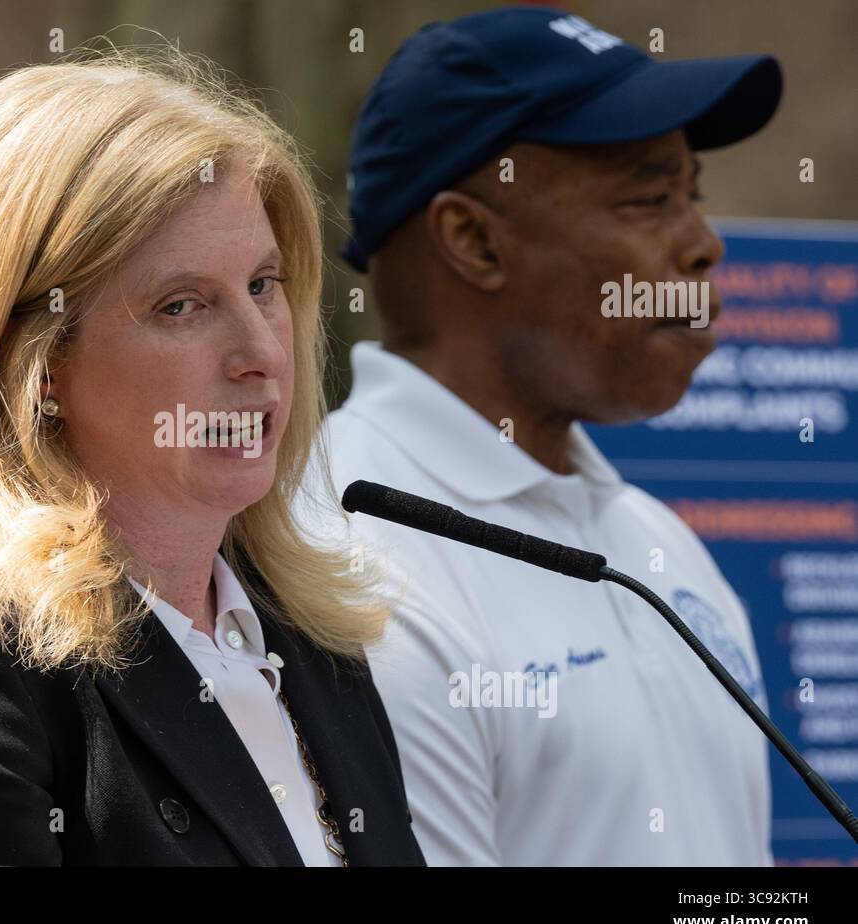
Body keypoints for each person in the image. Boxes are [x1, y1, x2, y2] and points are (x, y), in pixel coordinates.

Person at [0, 48, 424, 866]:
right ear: (36, 362)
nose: (260, 353)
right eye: (182, 306)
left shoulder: (309, 643)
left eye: (263, 286)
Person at [302, 7, 784, 865]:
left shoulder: (655, 539)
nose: (705, 244)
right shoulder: (344, 558)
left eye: (693, 194)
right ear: (474, 241)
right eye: (651, 198)